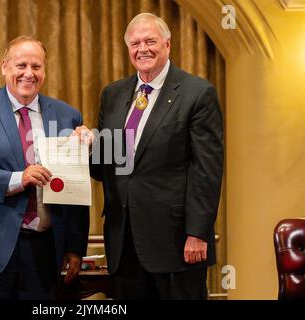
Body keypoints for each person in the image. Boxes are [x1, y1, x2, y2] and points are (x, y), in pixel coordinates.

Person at [74, 13, 223, 299]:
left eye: (150, 41)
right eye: (135, 43)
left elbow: (207, 170)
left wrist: (198, 233)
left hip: (176, 244)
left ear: (167, 44)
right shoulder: (113, 94)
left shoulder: (197, 93)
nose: (142, 48)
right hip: (124, 244)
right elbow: (105, 167)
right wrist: (91, 146)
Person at [0, 36, 89, 300]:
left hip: (45, 252)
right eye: (21, 65)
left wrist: (75, 247)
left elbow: (75, 189)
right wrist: (17, 179)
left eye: (36, 66)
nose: (28, 73)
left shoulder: (68, 115)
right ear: (4, 67)